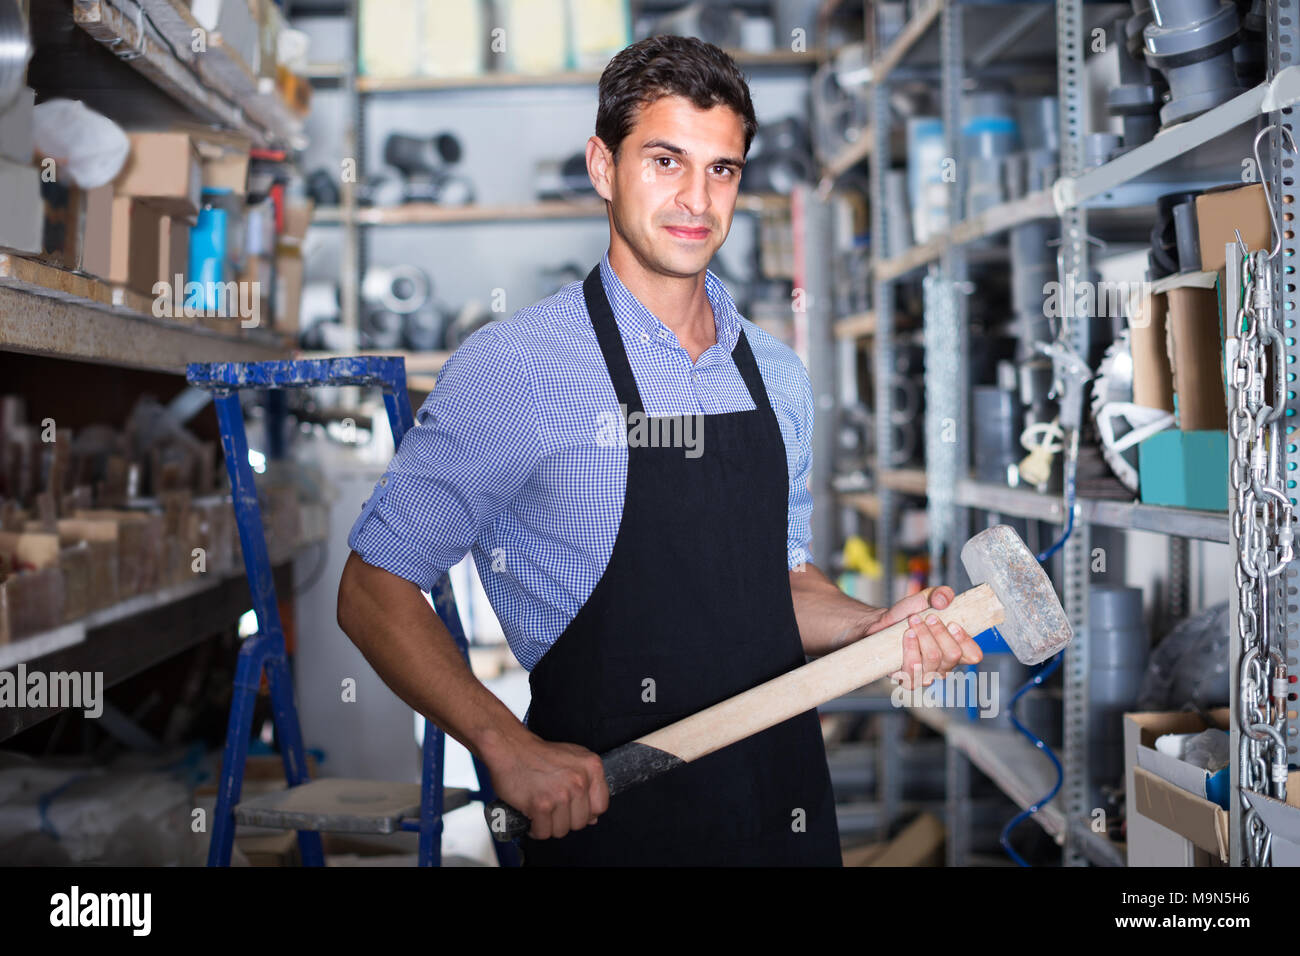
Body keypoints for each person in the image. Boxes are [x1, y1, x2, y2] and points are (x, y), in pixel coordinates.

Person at [337, 34, 981, 866]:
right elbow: (372, 587)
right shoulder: (518, 369)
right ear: (603, 167)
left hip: (782, 808)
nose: (697, 201)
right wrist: (504, 745)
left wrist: (871, 625)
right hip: (613, 819)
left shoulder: (775, 375)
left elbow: (778, 583)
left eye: (722, 169)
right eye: (666, 161)